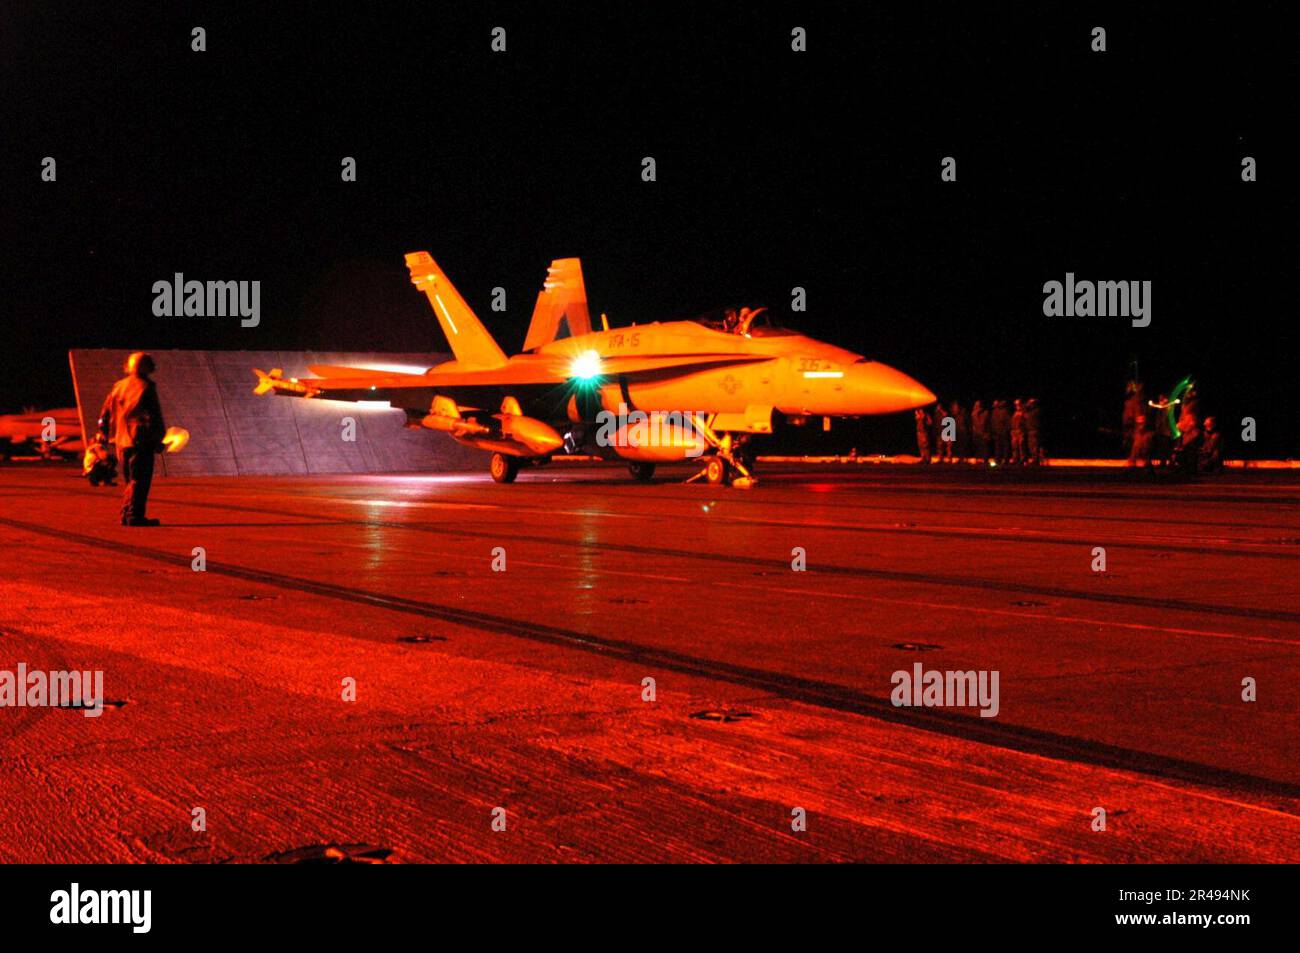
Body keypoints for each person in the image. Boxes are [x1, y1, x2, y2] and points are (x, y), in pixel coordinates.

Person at [98, 351, 166, 526]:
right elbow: (154, 417)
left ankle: (126, 513)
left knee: (130, 480)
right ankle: (134, 515)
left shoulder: (118, 386)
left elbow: (104, 413)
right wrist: (158, 439)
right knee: (140, 479)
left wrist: (103, 431)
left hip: (121, 441)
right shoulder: (146, 387)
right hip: (140, 441)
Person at [992, 399, 1012, 464]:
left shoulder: (1004, 411)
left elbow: (1008, 422)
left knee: (1005, 446)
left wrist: (1006, 430)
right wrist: (994, 431)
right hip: (997, 432)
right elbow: (993, 422)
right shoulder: (994, 412)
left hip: (1003, 432)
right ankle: (998, 459)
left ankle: (1005, 459)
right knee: (998, 446)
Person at [1024, 398, 1043, 465]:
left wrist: (1027, 406)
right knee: (1031, 446)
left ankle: (1036, 460)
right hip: (1030, 430)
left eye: (1031, 404)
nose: (1030, 405)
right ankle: (1034, 459)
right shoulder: (1031, 412)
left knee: (1034, 446)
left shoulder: (1036, 411)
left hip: (1034, 430)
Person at [1010, 399, 1027, 465]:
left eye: (1018, 404)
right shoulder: (1015, 413)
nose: (1017, 406)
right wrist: (1012, 430)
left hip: (1020, 431)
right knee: (1014, 446)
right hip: (1014, 431)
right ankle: (1015, 459)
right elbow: (1012, 422)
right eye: (1016, 404)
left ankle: (1023, 459)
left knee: (1021, 446)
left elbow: (1025, 422)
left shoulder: (1023, 412)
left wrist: (1023, 430)